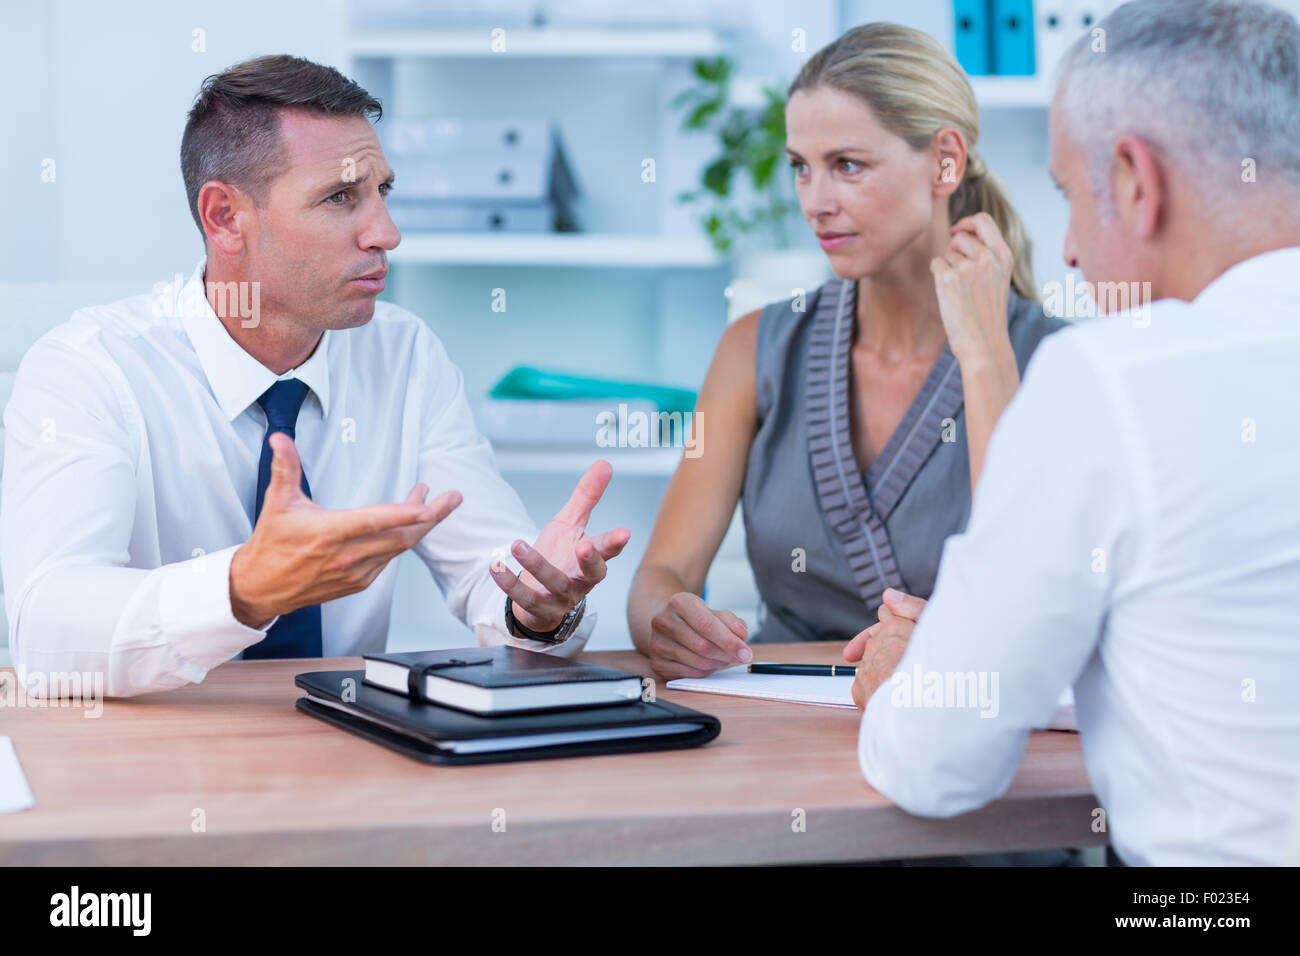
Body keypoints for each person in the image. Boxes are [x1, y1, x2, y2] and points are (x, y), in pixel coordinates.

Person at [0, 55, 629, 698]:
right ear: (225, 218)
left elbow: (493, 573)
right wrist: (243, 588)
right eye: (339, 198)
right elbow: (47, 633)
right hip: (150, 764)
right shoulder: (89, 368)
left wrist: (537, 606)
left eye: (383, 191)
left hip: (348, 751)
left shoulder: (406, 355)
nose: (387, 233)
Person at [850, 0, 1300, 866]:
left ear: (1136, 180)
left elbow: (940, 765)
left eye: (1069, 195)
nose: (1063, 252)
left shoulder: (1113, 380)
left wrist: (918, 673)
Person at [628, 23, 1064, 679]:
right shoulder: (754, 349)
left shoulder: (1056, 360)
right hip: (773, 732)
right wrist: (667, 618)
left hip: (956, 725)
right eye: (801, 167)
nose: (815, 202)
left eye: (847, 166)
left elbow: (1034, 591)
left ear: (946, 160)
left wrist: (982, 357)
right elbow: (660, 575)